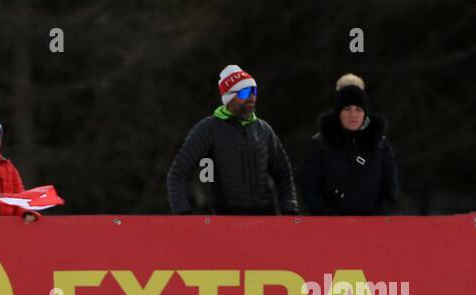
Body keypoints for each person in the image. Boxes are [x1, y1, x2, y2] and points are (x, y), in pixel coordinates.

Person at [166, 64, 297, 215]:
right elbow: (178, 173)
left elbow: (283, 173)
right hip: (225, 223)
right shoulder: (209, 129)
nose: (251, 97)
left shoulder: (263, 129)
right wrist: (183, 215)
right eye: (244, 93)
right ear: (228, 98)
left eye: (254, 90)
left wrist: (290, 210)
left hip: (265, 220)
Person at [302, 74, 398, 216]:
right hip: (330, 229)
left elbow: (390, 190)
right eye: (347, 109)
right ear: (339, 112)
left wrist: (376, 220)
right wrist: (332, 220)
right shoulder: (320, 145)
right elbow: (310, 191)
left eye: (358, 109)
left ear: (365, 113)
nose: (353, 114)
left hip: (372, 229)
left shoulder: (381, 145)